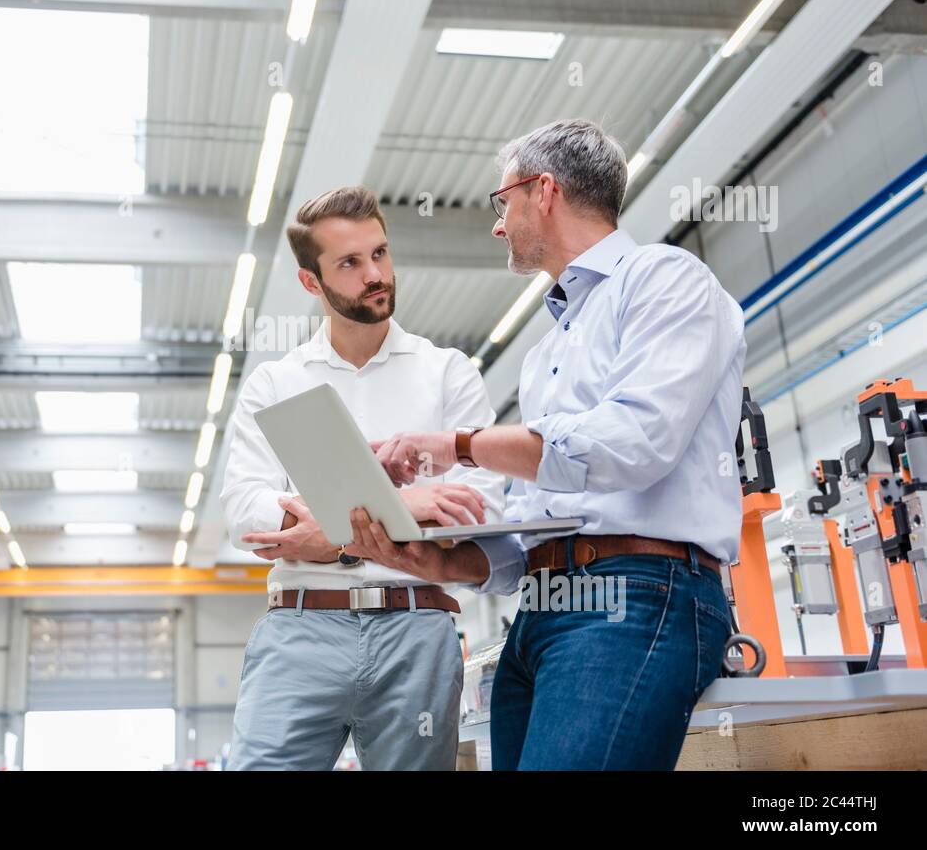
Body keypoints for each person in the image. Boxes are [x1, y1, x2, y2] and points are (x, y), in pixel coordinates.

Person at [350, 119, 745, 770]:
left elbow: (633, 442)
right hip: (541, 610)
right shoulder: (547, 352)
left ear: (545, 190)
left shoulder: (666, 280)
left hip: (637, 591)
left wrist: (460, 443)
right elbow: (537, 524)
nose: (498, 224)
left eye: (501, 201)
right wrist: (436, 561)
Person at [222, 185, 504, 771]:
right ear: (311, 282)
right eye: (349, 263)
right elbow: (245, 513)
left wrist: (329, 532)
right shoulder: (276, 383)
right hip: (301, 630)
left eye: (379, 253)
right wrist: (416, 503)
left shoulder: (448, 373)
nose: (374, 274)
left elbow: (483, 510)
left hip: (417, 627)